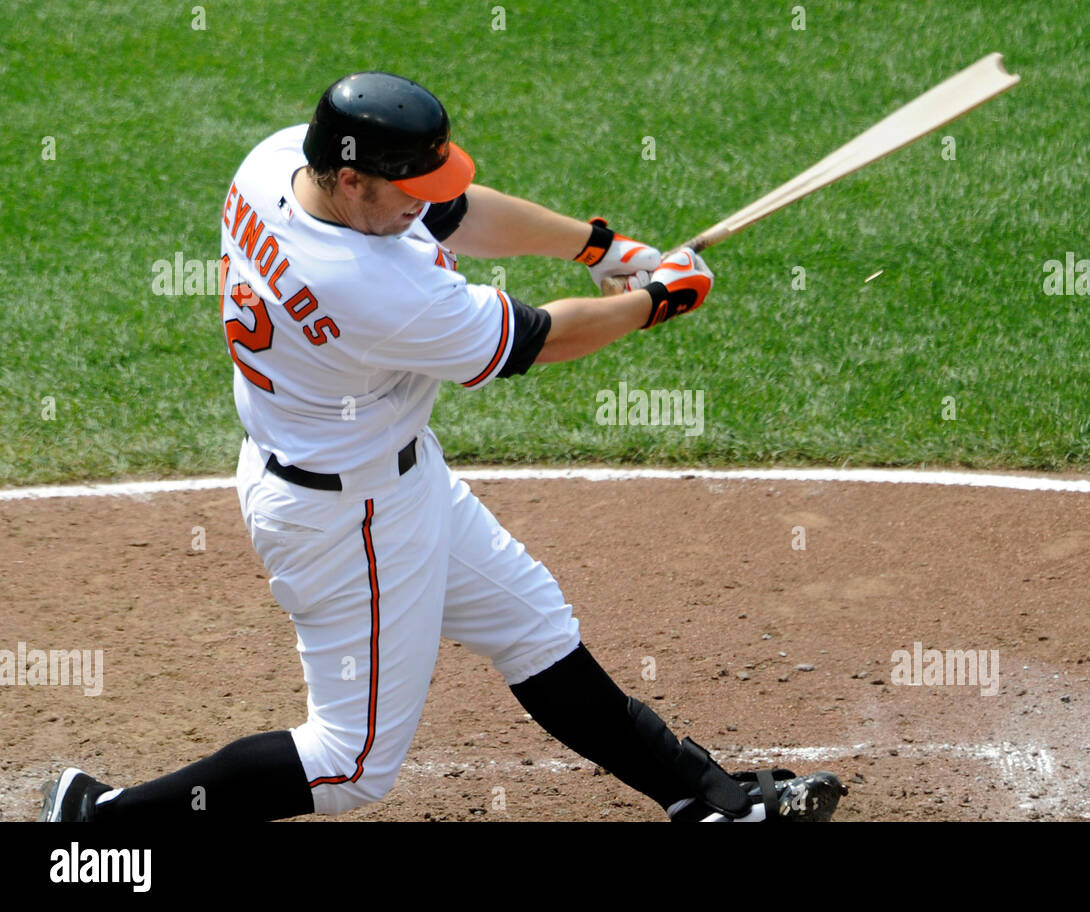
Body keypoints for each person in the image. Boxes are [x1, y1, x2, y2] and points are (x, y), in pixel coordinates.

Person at [38, 71, 846, 823]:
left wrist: (604, 248)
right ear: (352, 180)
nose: (421, 205)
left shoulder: (279, 162)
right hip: (343, 518)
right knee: (350, 764)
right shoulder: (375, 287)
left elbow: (457, 211)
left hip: (376, 472)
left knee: (534, 626)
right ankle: (101, 822)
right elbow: (539, 339)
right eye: (407, 192)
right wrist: (656, 302)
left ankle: (710, 803)